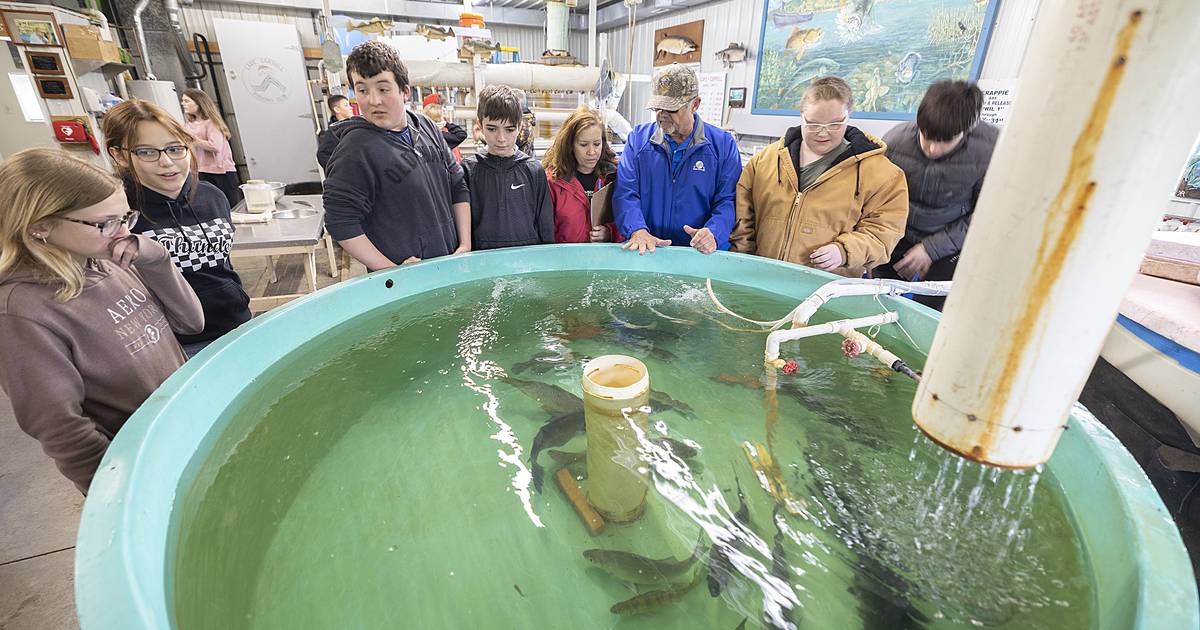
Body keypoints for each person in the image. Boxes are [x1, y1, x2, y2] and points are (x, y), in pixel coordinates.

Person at [0, 148, 204, 493]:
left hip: (180, 432)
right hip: (139, 468)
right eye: (105, 223)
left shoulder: (109, 259)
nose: (121, 232)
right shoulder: (21, 312)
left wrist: (156, 259)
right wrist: (119, 492)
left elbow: (190, 323)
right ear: (39, 226)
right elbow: (61, 427)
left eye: (126, 218)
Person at [102, 99, 251, 358]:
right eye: (147, 152)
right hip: (171, 344)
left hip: (236, 325)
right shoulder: (118, 214)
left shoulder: (212, 196)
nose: (167, 163)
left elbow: (222, 265)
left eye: (174, 149)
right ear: (118, 155)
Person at [731, 77, 908, 277]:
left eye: (835, 124)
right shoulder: (765, 161)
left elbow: (883, 233)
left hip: (826, 291)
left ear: (848, 117)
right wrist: (742, 261)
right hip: (761, 279)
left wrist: (844, 251)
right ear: (801, 116)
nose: (823, 133)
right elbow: (744, 217)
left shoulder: (883, 175)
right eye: (813, 124)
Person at [321, 41, 471, 270]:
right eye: (362, 90)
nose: (373, 100)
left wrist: (465, 244)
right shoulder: (355, 150)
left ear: (405, 91)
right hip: (405, 280)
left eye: (383, 89)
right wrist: (390, 270)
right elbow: (340, 221)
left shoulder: (427, 127)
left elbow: (457, 184)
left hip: (448, 264)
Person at [876, 80, 999, 310]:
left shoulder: (991, 152)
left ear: (966, 129)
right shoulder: (894, 140)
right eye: (926, 136)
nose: (932, 149)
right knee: (878, 300)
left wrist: (932, 248)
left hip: (950, 242)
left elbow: (988, 214)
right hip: (898, 235)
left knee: (932, 310)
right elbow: (875, 198)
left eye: (944, 142)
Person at [613, 63, 742, 255]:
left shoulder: (722, 146)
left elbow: (727, 200)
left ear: (695, 104)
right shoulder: (638, 140)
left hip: (697, 253)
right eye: (658, 108)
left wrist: (714, 232)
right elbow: (626, 192)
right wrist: (636, 229)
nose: (662, 115)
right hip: (648, 250)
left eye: (671, 109)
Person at [461, 85, 554, 250]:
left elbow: (545, 228)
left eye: (509, 129)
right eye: (492, 129)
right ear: (480, 125)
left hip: (526, 263)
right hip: (483, 263)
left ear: (519, 127)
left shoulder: (533, 170)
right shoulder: (468, 171)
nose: (501, 138)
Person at [542, 106, 621, 243]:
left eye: (597, 144)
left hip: (605, 260)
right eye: (583, 145)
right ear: (570, 145)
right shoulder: (552, 182)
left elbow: (630, 218)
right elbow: (544, 231)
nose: (592, 152)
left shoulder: (615, 176)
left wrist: (611, 232)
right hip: (566, 261)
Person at [180, 89, 241, 208]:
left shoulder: (211, 123)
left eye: (187, 101)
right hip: (201, 171)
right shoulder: (188, 125)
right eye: (183, 101)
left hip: (222, 172)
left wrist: (193, 139)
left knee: (231, 207)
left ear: (199, 103)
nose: (183, 104)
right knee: (213, 206)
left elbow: (215, 146)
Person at [422, 93, 466, 161]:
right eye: (441, 107)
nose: (444, 110)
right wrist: (446, 124)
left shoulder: (441, 130)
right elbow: (461, 134)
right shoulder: (438, 134)